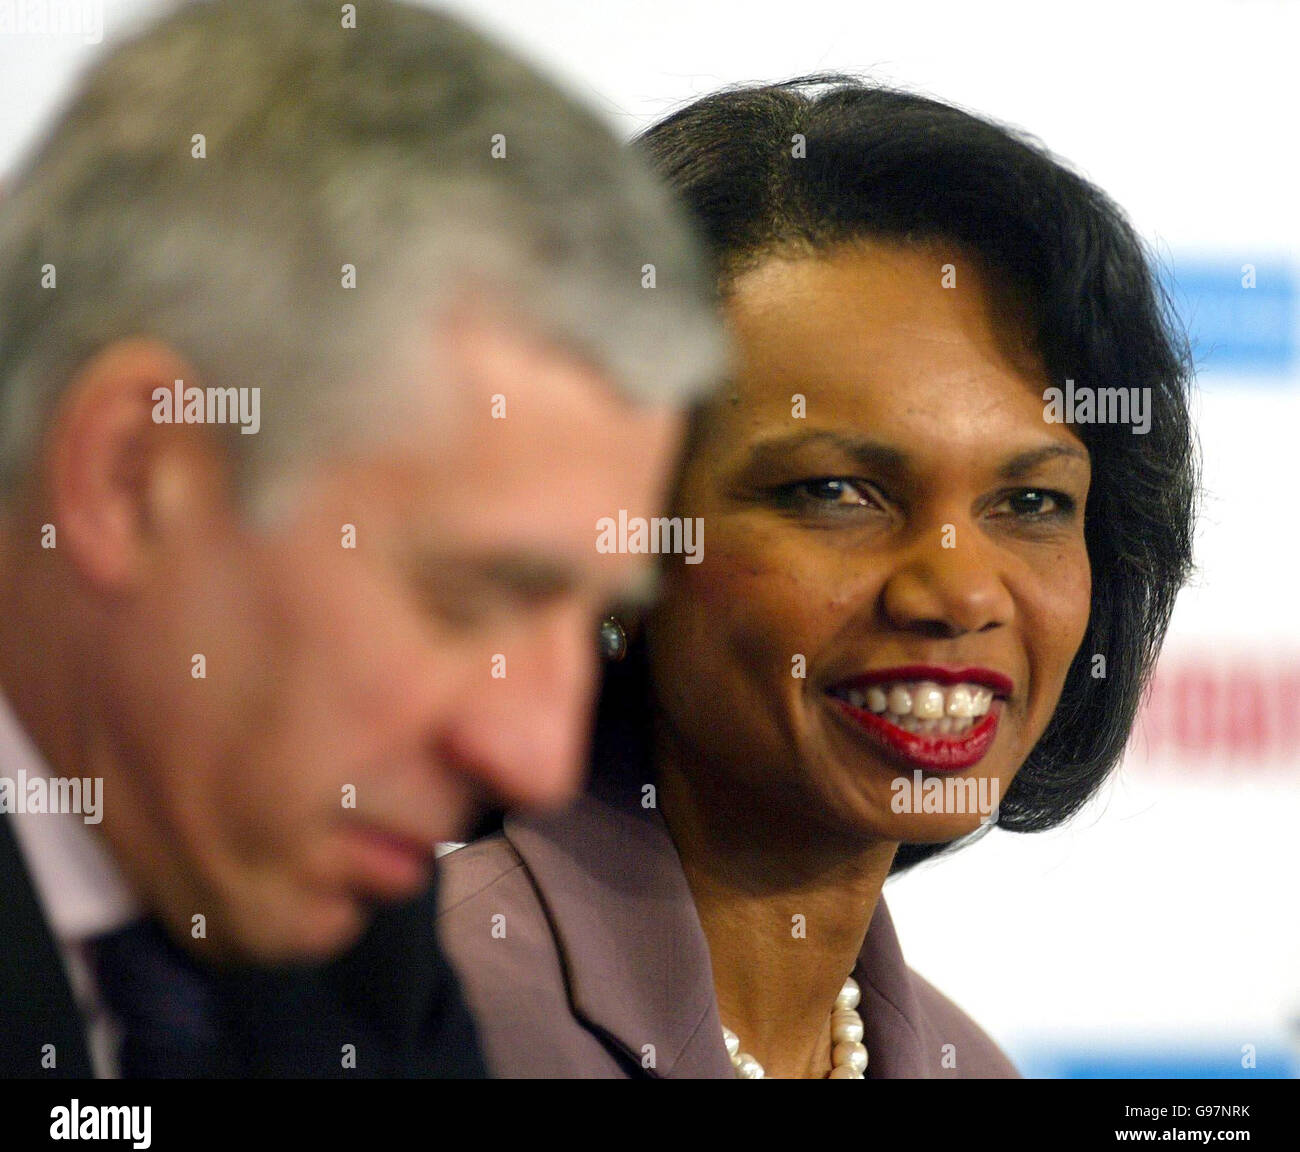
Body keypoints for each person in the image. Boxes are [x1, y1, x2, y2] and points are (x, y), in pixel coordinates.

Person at [0, 0, 725, 1078]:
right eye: (471, 595)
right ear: (132, 476)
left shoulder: (350, 945)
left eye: (599, 617)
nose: (535, 758)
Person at [438, 76, 1198, 1078]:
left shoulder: (966, 1065)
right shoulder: (421, 1008)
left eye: (1029, 502)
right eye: (838, 491)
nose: (961, 593)